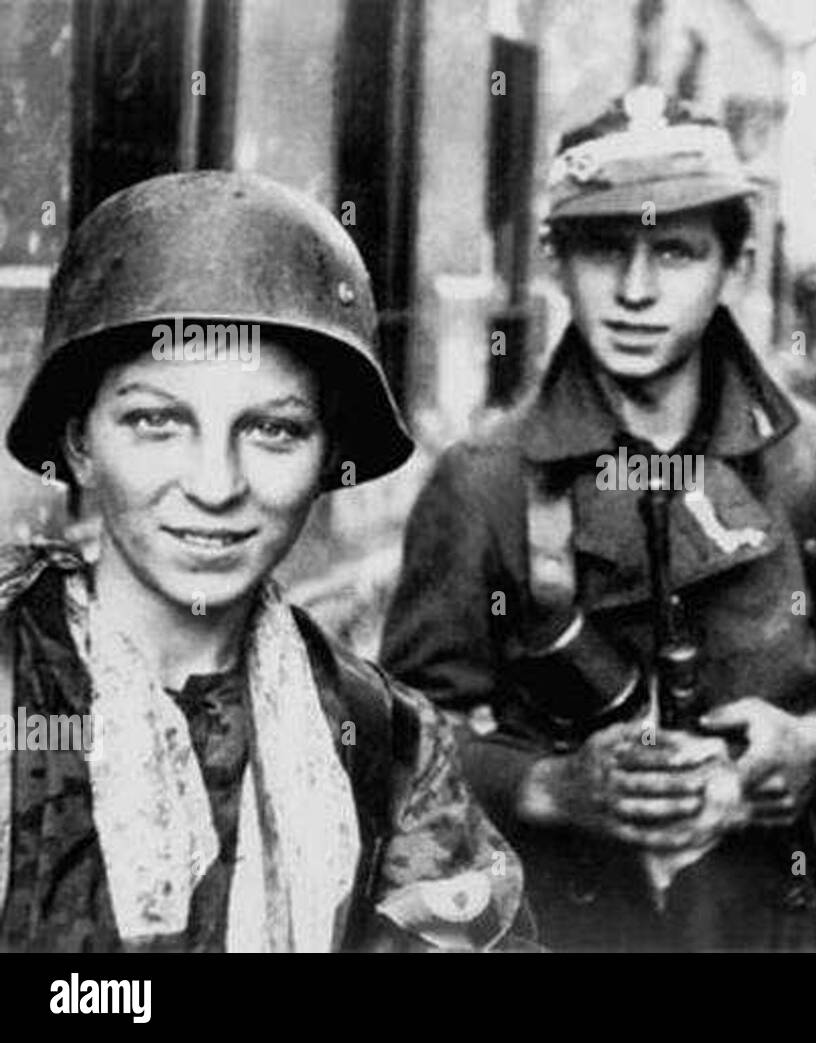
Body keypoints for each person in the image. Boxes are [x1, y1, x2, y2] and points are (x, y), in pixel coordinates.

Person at [379, 85, 816, 952]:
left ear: (735, 263)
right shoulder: (483, 481)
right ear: (553, 258)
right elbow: (397, 740)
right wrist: (549, 786)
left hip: (778, 921)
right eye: (606, 250)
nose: (637, 292)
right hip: (566, 923)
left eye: (678, 252)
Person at [0, 171, 526, 952]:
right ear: (80, 442)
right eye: (155, 420)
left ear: (328, 456)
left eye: (274, 430)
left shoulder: (383, 744)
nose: (216, 484)